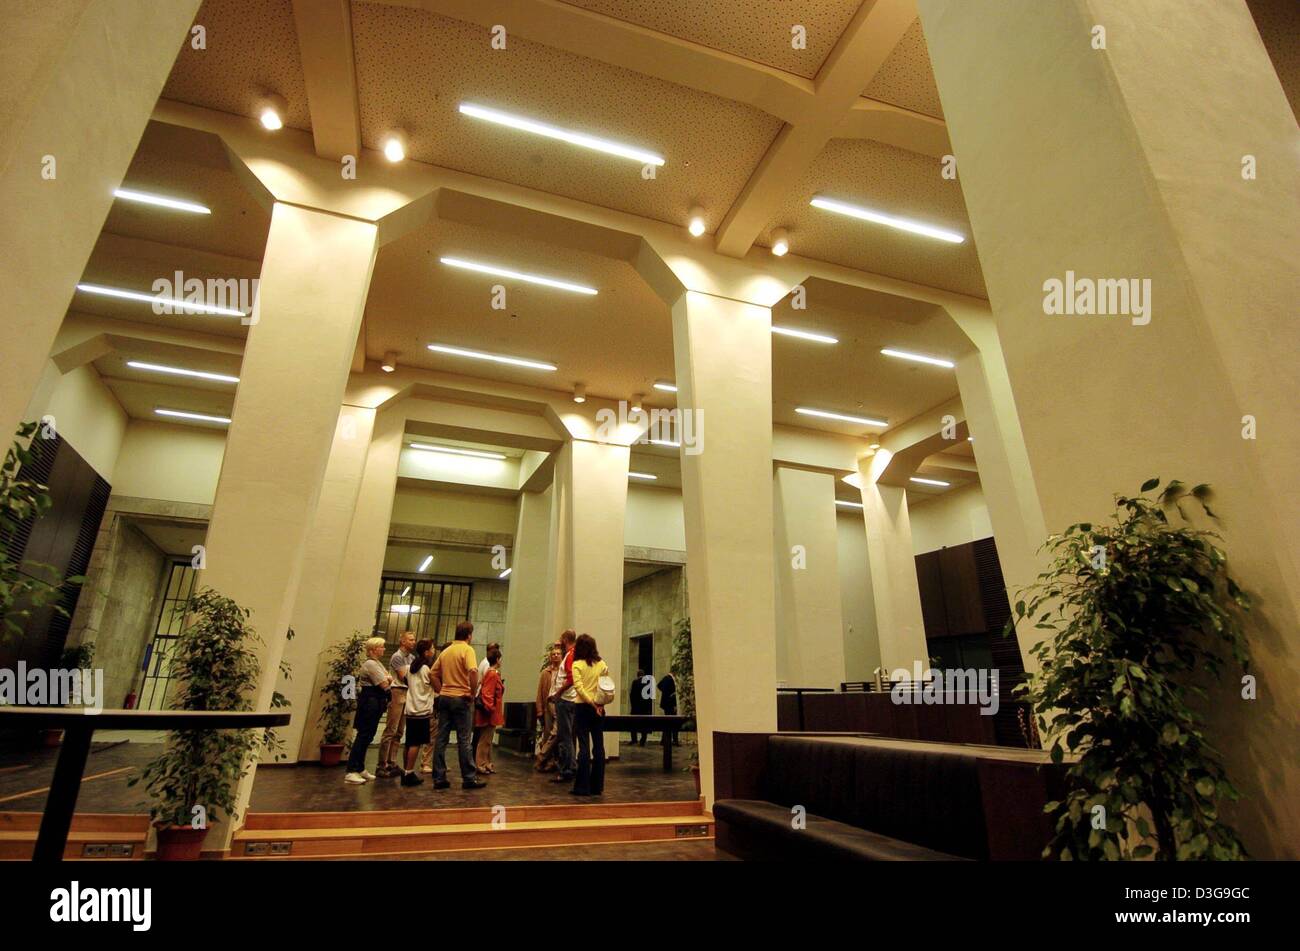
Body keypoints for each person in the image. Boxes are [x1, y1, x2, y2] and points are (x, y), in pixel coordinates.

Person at [429, 620, 487, 789]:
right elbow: (473, 671)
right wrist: (472, 692)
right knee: (464, 738)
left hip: (445, 697)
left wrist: (442, 690)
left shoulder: (446, 651)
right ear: (469, 635)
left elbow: (433, 673)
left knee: (441, 738)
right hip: (461, 697)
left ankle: (439, 777)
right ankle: (469, 777)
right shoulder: (467, 650)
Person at [344, 636, 391, 784]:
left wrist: (388, 679)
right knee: (363, 735)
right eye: (381, 647)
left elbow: (389, 679)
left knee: (369, 735)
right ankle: (351, 770)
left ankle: (360, 767)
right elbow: (385, 683)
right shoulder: (371, 664)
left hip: (376, 702)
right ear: (373, 649)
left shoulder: (377, 664)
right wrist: (387, 679)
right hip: (370, 702)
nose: (384, 649)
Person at [570, 633, 610, 797]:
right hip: (598, 708)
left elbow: (579, 688)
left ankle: (582, 787)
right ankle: (597, 786)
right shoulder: (601, 664)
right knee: (599, 747)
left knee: (584, 747)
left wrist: (590, 703)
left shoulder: (577, 665)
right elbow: (605, 686)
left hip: (582, 708)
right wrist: (598, 704)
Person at [377, 630, 415, 777]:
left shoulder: (411, 657)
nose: (413, 642)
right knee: (390, 730)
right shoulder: (397, 657)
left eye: (414, 639)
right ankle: (382, 764)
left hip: (407, 692)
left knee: (399, 731)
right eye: (410, 640)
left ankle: (392, 762)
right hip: (397, 691)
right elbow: (404, 676)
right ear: (403, 641)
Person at [400, 639, 436, 786]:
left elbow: (406, 682)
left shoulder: (409, 668)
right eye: (432, 648)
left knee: (409, 742)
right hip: (421, 710)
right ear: (426, 652)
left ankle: (406, 770)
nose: (433, 651)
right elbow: (435, 685)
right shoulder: (426, 669)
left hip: (411, 708)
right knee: (415, 743)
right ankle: (409, 772)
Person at [548, 629, 578, 783]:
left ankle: (567, 769)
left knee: (565, 737)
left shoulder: (571, 655)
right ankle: (570, 766)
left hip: (565, 701)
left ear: (566, 639)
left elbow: (571, 678)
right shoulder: (571, 653)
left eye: (561, 639)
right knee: (567, 736)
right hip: (568, 700)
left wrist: (558, 693)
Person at [474, 646, 504, 773]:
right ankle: (480, 764)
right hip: (489, 713)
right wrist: (490, 708)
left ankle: (486, 763)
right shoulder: (492, 674)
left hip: (490, 711)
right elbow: (488, 693)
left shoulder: (491, 673)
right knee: (484, 739)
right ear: (497, 659)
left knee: (487, 739)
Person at [534, 643, 562, 771]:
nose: (556, 656)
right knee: (547, 733)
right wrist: (539, 709)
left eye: (558, 654)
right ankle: (549, 761)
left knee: (556, 734)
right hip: (548, 705)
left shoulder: (564, 672)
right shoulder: (546, 673)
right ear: (550, 657)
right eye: (553, 654)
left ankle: (551, 759)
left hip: (560, 705)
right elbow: (540, 692)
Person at [628, 667, 652, 746]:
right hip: (644, 708)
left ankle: (634, 740)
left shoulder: (635, 682)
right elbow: (649, 696)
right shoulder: (648, 682)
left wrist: (633, 705)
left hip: (636, 707)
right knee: (644, 725)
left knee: (633, 724)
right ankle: (643, 741)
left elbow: (632, 695)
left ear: (637, 675)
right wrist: (648, 707)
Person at [658, 670, 679, 746]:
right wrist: (674, 705)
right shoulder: (671, 680)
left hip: (665, 704)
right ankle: (675, 740)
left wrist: (664, 694)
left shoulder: (665, 678)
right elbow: (673, 695)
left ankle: (664, 740)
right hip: (670, 704)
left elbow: (659, 685)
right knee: (673, 722)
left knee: (667, 722)